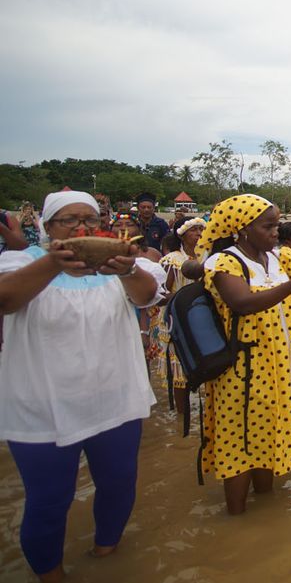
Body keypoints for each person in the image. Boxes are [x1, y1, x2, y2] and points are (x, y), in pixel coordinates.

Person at [0, 190, 162, 582]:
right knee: (49, 499)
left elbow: (146, 297)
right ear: (47, 226)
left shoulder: (119, 263)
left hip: (115, 397)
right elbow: (6, 299)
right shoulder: (21, 260)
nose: (81, 228)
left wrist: (125, 269)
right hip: (43, 403)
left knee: (119, 482)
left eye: (89, 220)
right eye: (68, 220)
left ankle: (106, 550)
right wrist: (55, 264)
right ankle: (51, 573)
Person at [196, 194, 291, 515]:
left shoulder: (279, 257)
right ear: (241, 229)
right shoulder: (225, 262)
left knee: (268, 432)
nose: (276, 232)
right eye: (268, 226)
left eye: (276, 225)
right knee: (239, 440)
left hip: (283, 364)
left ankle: (264, 504)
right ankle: (236, 516)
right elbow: (243, 303)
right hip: (244, 367)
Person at [156, 217, 207, 422]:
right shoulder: (173, 260)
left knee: (205, 364)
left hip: (202, 319)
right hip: (177, 319)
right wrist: (184, 299)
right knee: (180, 371)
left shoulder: (207, 258)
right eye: (194, 230)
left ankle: (201, 415)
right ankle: (182, 416)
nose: (198, 233)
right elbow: (162, 293)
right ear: (182, 234)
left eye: (201, 230)